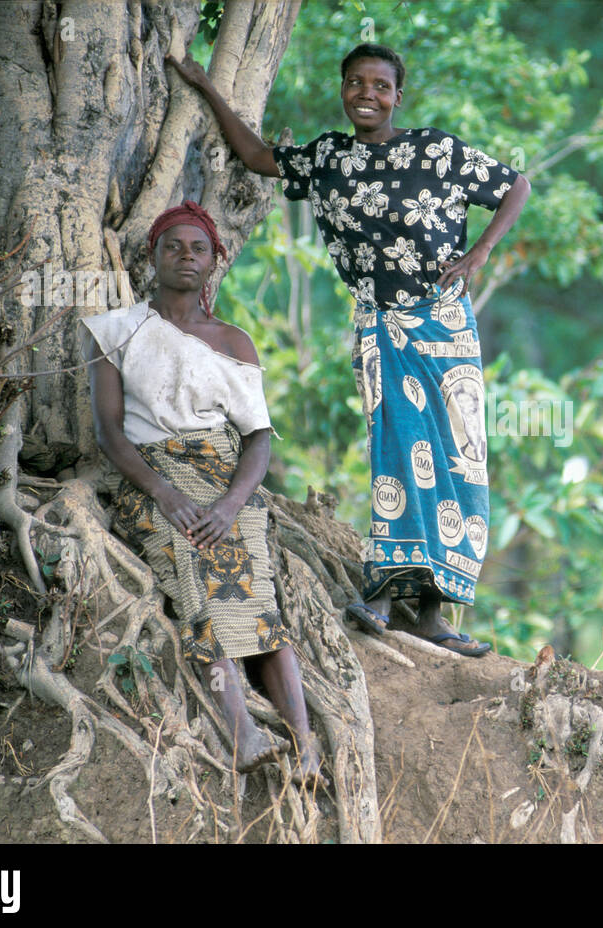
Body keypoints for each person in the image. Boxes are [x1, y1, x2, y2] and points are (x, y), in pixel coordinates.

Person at [168, 42, 531, 657]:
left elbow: (515, 185)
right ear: (343, 90)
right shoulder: (327, 159)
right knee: (395, 455)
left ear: (397, 96)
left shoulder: (435, 151)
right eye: (356, 83)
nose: (368, 94)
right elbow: (257, 155)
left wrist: (482, 251)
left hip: (445, 328)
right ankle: (384, 596)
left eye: (381, 86)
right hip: (381, 328)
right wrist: (205, 85)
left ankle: (434, 612)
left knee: (454, 463)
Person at [81, 200, 324, 788]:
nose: (186, 257)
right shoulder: (116, 332)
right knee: (193, 568)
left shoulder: (233, 342)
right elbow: (110, 433)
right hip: (152, 478)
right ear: (154, 256)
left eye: (198, 249)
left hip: (226, 481)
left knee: (259, 594)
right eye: (173, 247)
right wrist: (163, 492)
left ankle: (306, 744)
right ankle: (240, 729)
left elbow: (259, 438)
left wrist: (232, 504)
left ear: (214, 260)